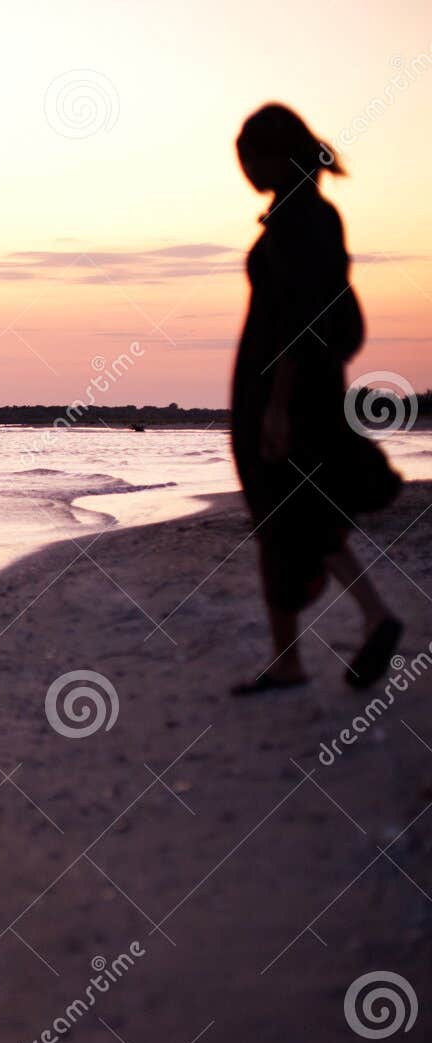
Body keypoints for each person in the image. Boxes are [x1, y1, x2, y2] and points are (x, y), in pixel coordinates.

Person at [229, 103, 402, 695]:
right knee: (292, 512)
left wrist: (277, 404)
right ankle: (301, 653)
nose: (245, 168)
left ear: (275, 154)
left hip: (285, 386)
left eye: (249, 156)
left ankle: (351, 626)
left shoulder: (302, 218)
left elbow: (303, 318)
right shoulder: (301, 213)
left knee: (284, 513)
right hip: (288, 382)